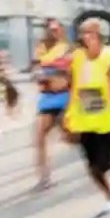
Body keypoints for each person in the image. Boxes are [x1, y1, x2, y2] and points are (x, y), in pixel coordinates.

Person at [64, 16, 110, 216]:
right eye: (84, 33)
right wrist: (69, 115)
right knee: (94, 166)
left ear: (100, 36)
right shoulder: (76, 56)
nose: (86, 36)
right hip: (86, 116)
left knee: (104, 160)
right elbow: (72, 83)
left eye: (91, 32)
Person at [32, 18, 71, 189]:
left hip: (65, 96)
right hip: (47, 98)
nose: (53, 32)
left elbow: (71, 71)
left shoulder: (68, 48)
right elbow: (36, 70)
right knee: (40, 137)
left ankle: (107, 154)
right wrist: (40, 75)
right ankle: (44, 177)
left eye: (56, 29)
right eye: (50, 29)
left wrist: (57, 74)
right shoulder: (41, 48)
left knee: (71, 137)